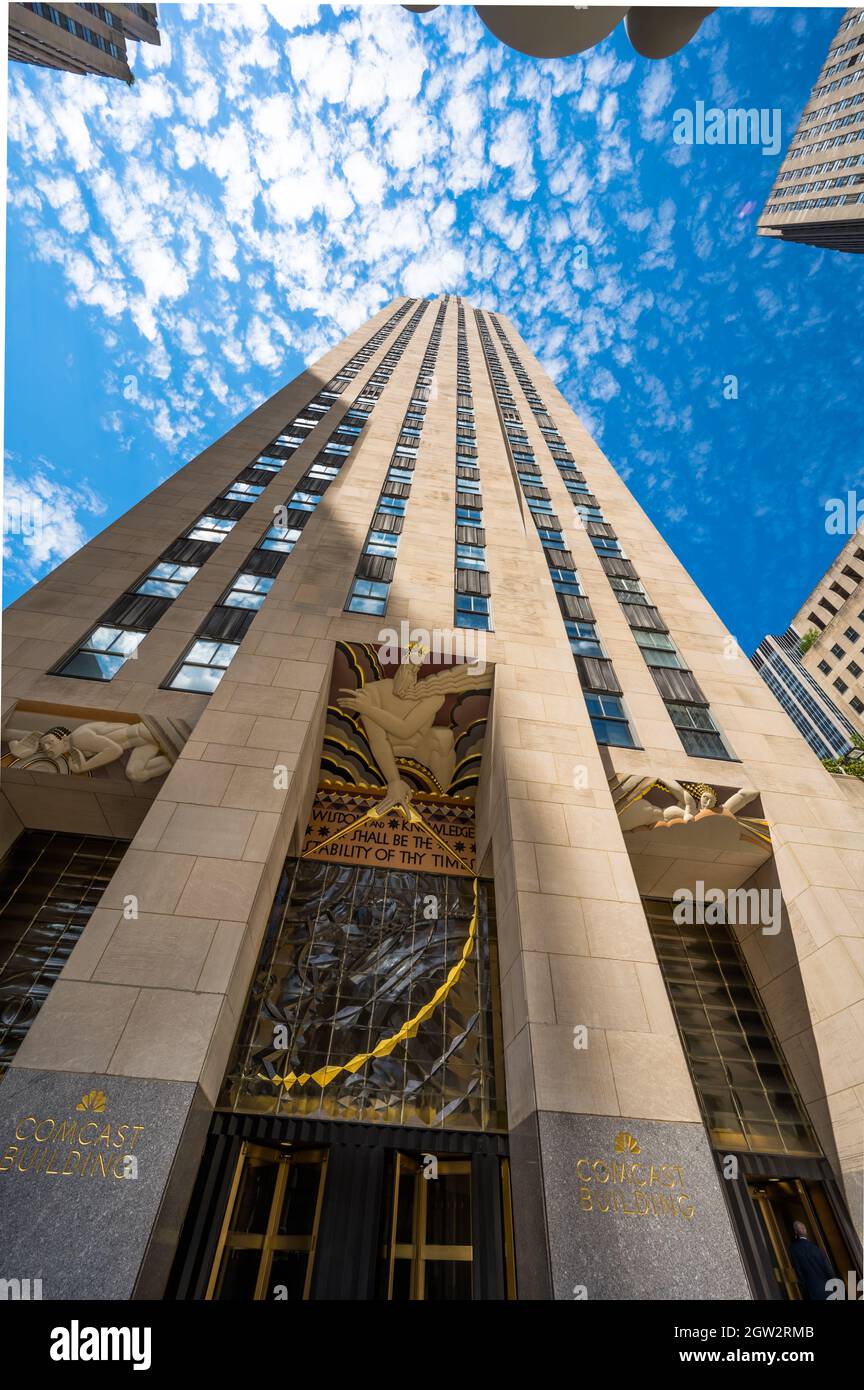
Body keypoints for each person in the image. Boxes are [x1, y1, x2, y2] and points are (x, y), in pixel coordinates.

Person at [788, 1221, 835, 1300]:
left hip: (812, 1290)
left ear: (796, 1232)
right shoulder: (816, 1248)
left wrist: (804, 1286)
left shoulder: (793, 1249)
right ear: (805, 1231)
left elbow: (798, 1271)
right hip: (827, 1288)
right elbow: (828, 1268)